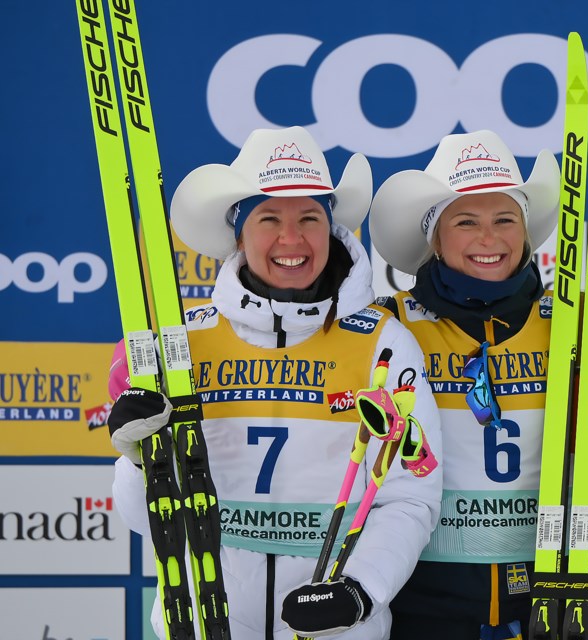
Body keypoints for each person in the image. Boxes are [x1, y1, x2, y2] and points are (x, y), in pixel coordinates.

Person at [106, 126, 443, 640]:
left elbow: (410, 497)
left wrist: (358, 590)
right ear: (239, 233)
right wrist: (137, 461)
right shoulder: (185, 345)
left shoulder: (381, 342)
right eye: (269, 219)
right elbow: (144, 520)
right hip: (202, 620)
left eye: (310, 217)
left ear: (331, 229)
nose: (292, 238)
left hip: (334, 625)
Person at [368, 129, 564, 639]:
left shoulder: (571, 326)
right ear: (435, 238)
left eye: (505, 219)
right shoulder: (388, 326)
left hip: (550, 589)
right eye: (466, 221)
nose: (489, 238)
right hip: (420, 588)